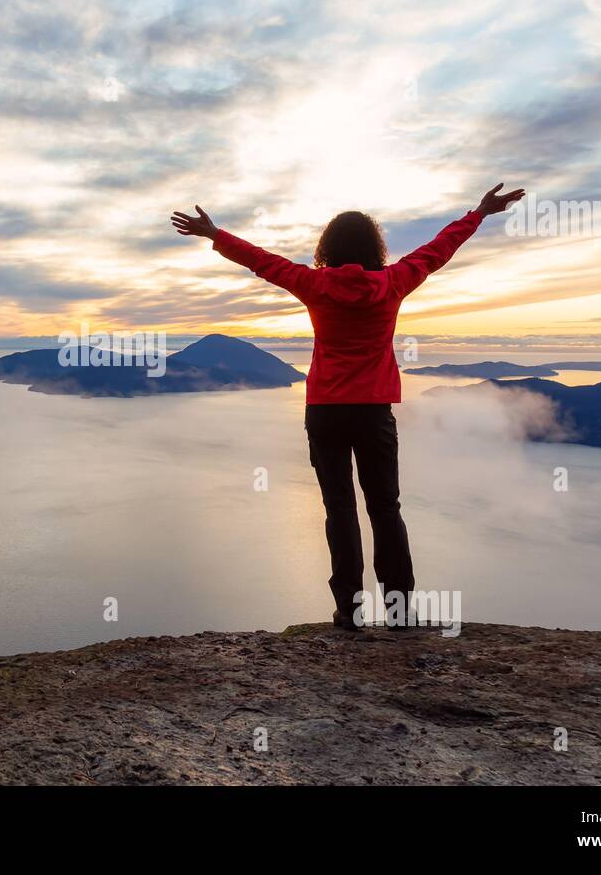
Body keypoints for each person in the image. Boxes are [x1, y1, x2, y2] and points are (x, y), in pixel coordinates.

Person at [170, 185, 525, 629]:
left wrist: (215, 235)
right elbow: (437, 251)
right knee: (385, 508)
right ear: (375, 247)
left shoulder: (314, 284)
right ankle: (399, 615)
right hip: (374, 411)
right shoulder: (393, 282)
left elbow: (263, 262)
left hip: (326, 410)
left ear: (327, 249)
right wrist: (480, 213)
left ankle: (350, 613)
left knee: (339, 509)